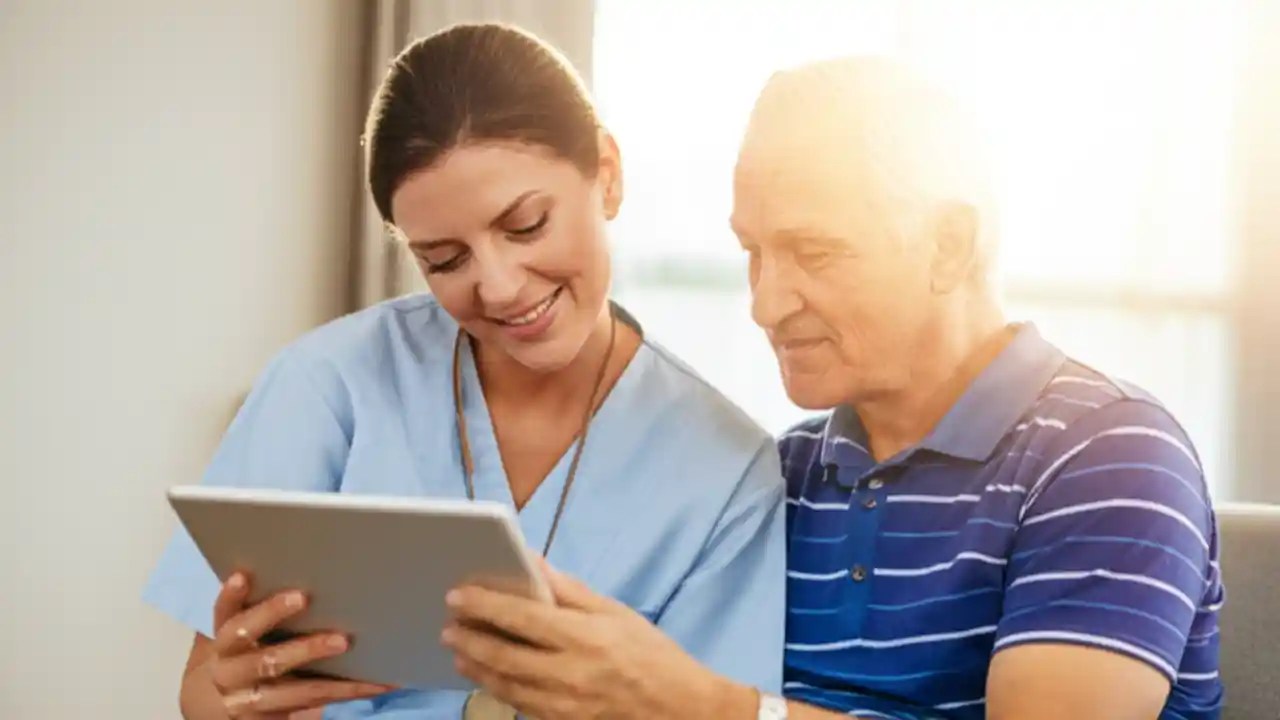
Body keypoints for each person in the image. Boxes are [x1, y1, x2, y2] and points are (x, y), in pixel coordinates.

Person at [442, 57, 1225, 719]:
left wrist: (708, 708)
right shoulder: (774, 477)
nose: (764, 303)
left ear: (949, 245)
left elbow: (680, 698)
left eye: (812, 252)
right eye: (753, 252)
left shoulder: (1111, 458)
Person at [142, 23, 786, 719]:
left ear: (607, 173)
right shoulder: (328, 388)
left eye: (527, 224)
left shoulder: (725, 471)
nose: (500, 286)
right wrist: (237, 694)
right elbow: (205, 692)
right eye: (445, 260)